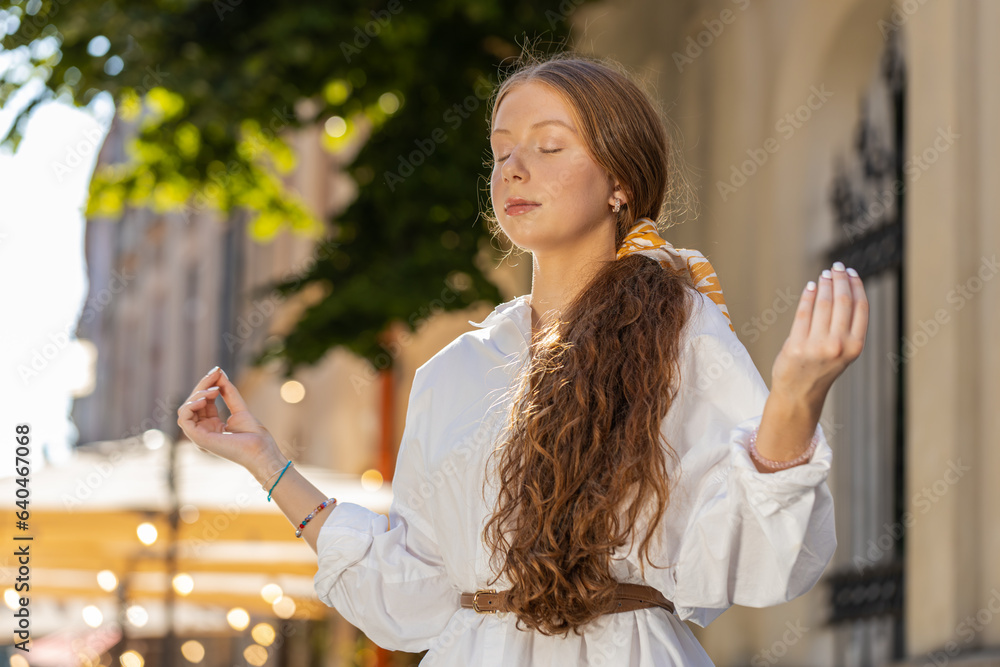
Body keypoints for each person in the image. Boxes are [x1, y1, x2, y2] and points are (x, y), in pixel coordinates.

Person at [177, 53, 868, 666]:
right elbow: (414, 589)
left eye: (549, 146)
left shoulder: (683, 330)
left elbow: (758, 557)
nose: (514, 168)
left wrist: (795, 400)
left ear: (620, 180)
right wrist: (267, 461)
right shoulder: (455, 370)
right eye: (501, 151)